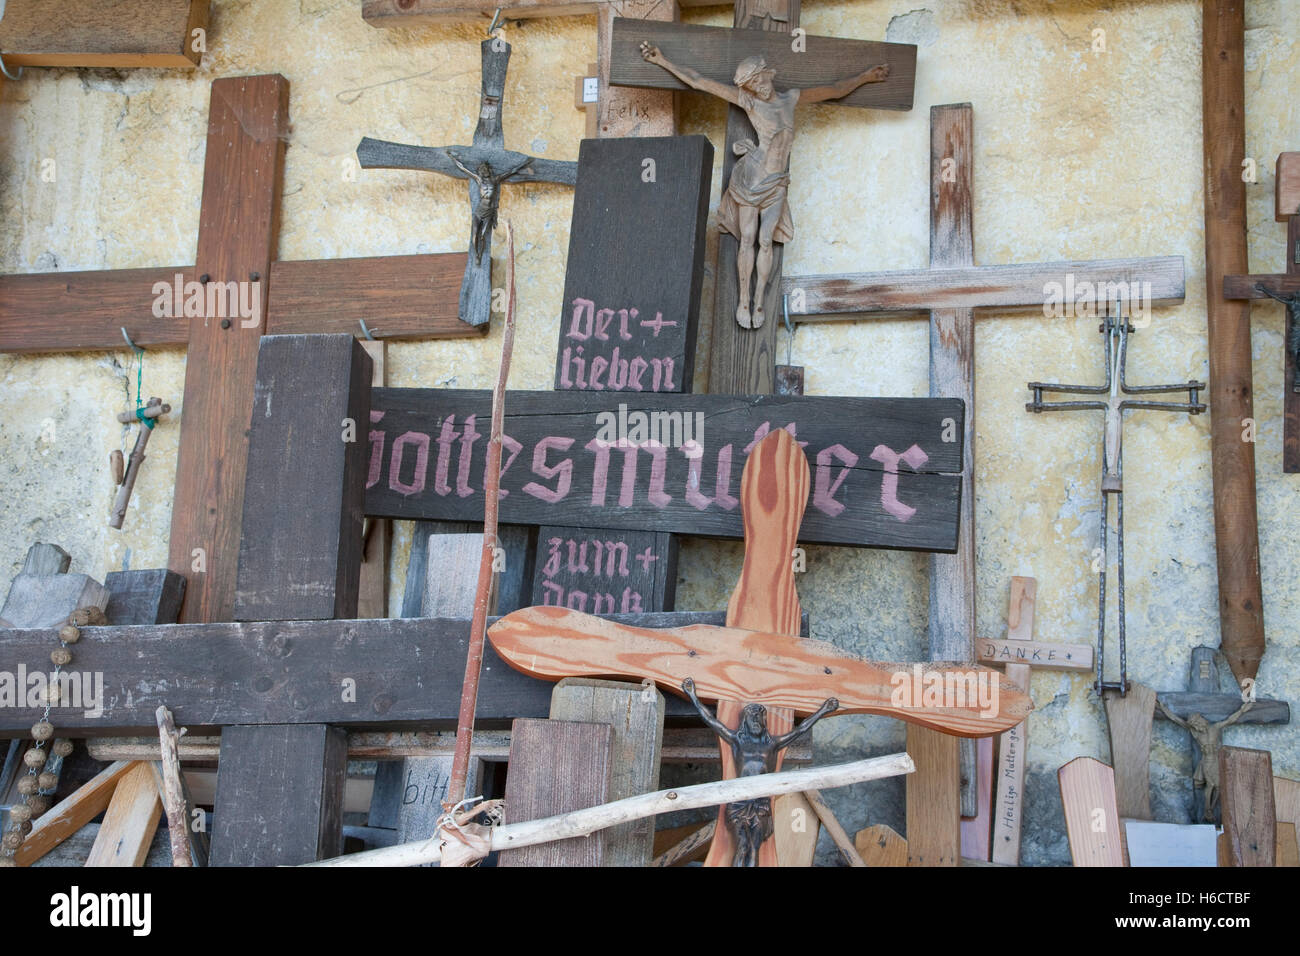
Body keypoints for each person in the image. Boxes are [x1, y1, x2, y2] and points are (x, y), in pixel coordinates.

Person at [640, 42, 890, 328]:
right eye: (751, 83)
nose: (757, 86)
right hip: (752, 180)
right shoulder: (749, 103)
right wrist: (663, 61)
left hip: (777, 182)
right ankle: (743, 301)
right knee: (747, 240)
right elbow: (700, 82)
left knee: (765, 241)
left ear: (768, 75)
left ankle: (759, 303)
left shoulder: (791, 99)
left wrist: (864, 77)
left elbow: (833, 89)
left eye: (759, 79)